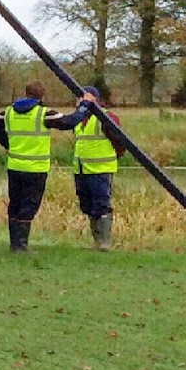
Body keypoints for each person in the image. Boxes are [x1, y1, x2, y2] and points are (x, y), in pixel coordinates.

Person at [0, 82, 95, 252]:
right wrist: (85, 105)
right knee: (29, 206)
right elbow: (69, 122)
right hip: (36, 168)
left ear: (26, 93)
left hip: (14, 166)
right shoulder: (44, 113)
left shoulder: (8, 112)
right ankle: (21, 246)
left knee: (15, 204)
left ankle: (15, 244)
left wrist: (7, 144)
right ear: (41, 96)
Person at [71, 85, 125, 251]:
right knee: (88, 205)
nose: (78, 101)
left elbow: (120, 141)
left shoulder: (107, 117)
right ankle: (96, 242)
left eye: (82, 97)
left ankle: (104, 242)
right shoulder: (78, 118)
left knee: (102, 204)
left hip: (101, 168)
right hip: (81, 169)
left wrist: (114, 156)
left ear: (93, 99)